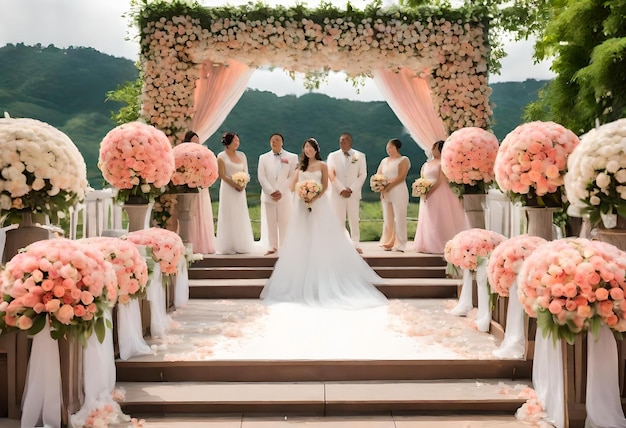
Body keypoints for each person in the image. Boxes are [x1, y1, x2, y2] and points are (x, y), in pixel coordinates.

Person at [260, 138, 388, 309]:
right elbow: (291, 187)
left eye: (311, 147)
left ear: (316, 150)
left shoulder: (323, 165)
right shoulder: (300, 167)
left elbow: (326, 186)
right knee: (302, 235)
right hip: (302, 206)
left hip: (319, 204)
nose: (308, 150)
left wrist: (314, 195)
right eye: (305, 147)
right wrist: (303, 192)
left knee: (319, 236)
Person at [413, 140, 469, 254]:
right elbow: (422, 177)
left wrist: (430, 191)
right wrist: (421, 189)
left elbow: (440, 180)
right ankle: (427, 243)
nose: (433, 150)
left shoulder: (442, 163)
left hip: (438, 192)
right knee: (428, 217)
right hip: (426, 192)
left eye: (435, 148)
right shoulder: (427, 164)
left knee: (438, 217)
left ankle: (440, 242)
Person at [257, 133, 299, 256]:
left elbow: (292, 176)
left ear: (282, 142)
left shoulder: (292, 157)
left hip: (284, 195)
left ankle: (285, 246)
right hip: (268, 195)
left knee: (285, 221)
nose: (274, 142)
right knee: (270, 222)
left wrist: (281, 190)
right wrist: (270, 191)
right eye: (272, 140)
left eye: (277, 140)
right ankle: (272, 246)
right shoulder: (263, 158)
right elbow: (261, 176)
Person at [327, 133, 367, 254]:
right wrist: (341, 189)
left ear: (350, 141)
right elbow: (331, 174)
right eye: (340, 140)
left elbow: (362, 174)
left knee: (354, 219)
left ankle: (356, 244)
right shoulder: (333, 156)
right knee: (338, 219)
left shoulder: (359, 156)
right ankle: (338, 244)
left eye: (344, 140)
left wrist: (351, 189)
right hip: (337, 193)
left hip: (352, 194)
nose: (341, 142)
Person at [215, 132, 254, 254]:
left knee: (240, 213)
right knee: (228, 214)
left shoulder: (242, 155)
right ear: (228, 142)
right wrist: (234, 184)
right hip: (228, 189)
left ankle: (241, 244)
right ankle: (228, 245)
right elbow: (222, 175)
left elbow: (246, 172)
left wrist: (243, 184)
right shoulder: (221, 156)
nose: (237, 143)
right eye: (234, 141)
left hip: (240, 190)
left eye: (238, 140)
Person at [184, 131, 216, 254]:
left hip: (201, 186)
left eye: (197, 141)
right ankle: (192, 243)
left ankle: (204, 243)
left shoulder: (204, 153)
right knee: (192, 213)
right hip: (189, 187)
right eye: (194, 141)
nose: (196, 144)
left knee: (202, 212)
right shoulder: (184, 154)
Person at [376, 138, 410, 252]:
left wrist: (388, 186)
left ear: (396, 147)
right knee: (388, 217)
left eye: (390, 147)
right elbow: (378, 175)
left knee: (399, 216)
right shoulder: (384, 161)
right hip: (386, 192)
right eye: (387, 148)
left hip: (398, 190)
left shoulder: (403, 159)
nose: (388, 149)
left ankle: (401, 243)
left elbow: (401, 177)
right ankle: (388, 241)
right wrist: (380, 187)